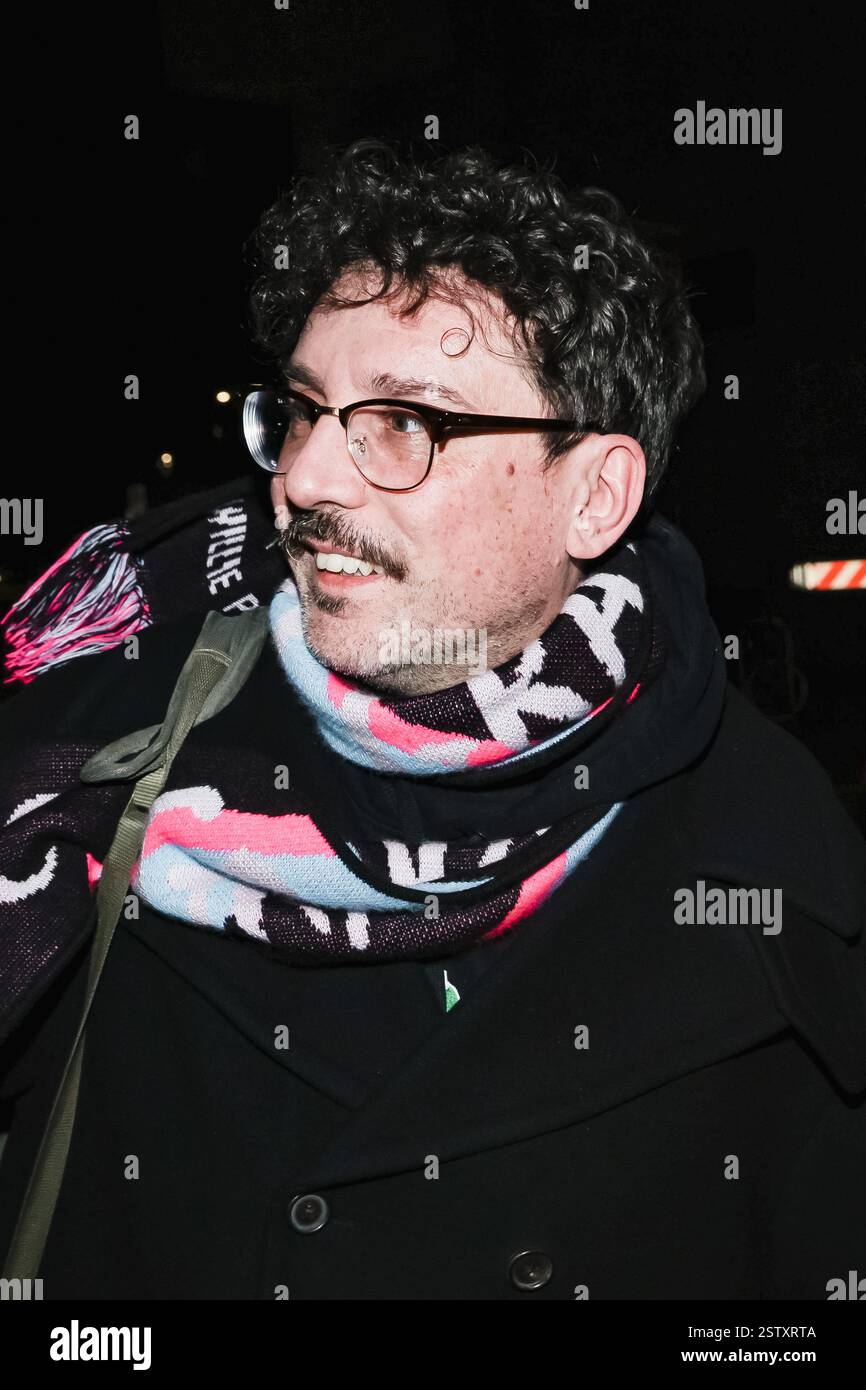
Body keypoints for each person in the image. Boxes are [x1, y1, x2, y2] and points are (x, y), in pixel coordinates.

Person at [0, 138, 864, 1302]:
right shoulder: (118, 724)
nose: (308, 477)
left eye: (405, 422)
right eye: (303, 411)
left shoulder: (764, 860)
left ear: (594, 493)